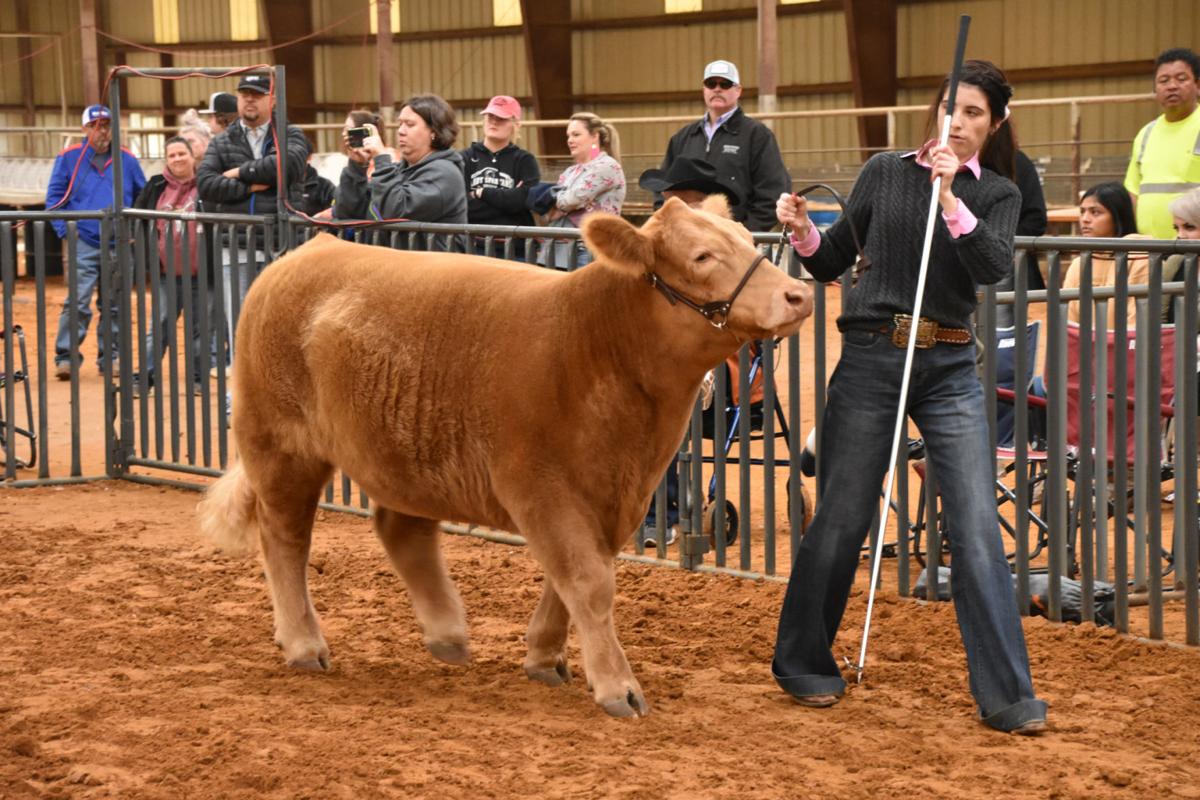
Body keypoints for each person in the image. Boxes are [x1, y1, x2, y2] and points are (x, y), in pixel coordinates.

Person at [772, 59, 1048, 734]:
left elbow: (987, 268)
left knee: (977, 526)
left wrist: (952, 201)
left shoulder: (998, 194)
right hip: (873, 353)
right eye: (951, 106)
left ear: (996, 123)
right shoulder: (884, 171)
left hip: (952, 361)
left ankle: (1009, 695)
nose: (958, 120)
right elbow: (829, 259)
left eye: (975, 112)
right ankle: (804, 662)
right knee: (842, 513)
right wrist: (800, 227)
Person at [635, 157, 743, 546]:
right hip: (659, 353)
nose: (662, 207)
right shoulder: (661, 246)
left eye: (671, 199)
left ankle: (660, 514)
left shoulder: (728, 244)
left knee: (659, 405)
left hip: (712, 361)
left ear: (695, 202)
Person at [197, 73, 310, 366]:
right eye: (244, 93)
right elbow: (207, 184)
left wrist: (238, 173)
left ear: (272, 100)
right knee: (239, 325)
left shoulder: (290, 134)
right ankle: (240, 399)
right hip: (234, 245)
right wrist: (252, 185)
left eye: (257, 94)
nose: (249, 98)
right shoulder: (222, 142)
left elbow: (288, 166)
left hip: (281, 244)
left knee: (283, 324)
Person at [47, 104, 147, 380]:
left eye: (106, 125)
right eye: (96, 125)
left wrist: (132, 230)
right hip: (85, 240)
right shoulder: (69, 157)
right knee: (77, 301)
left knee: (115, 303)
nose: (102, 131)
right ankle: (66, 357)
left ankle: (111, 358)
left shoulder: (127, 159)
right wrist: (67, 231)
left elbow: (143, 195)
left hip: (119, 242)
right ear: (85, 129)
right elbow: (55, 198)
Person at [655, 59, 790, 232]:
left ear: (738, 90)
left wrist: (744, 233)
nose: (717, 89)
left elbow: (772, 192)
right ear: (704, 90)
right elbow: (662, 188)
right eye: (711, 84)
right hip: (688, 239)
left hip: (734, 240)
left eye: (725, 84)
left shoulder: (757, 136)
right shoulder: (683, 137)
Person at [131, 136, 205, 396]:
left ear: (192, 155)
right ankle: (145, 378)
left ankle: (198, 380)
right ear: (166, 160)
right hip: (165, 274)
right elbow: (137, 218)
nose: (177, 159)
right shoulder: (156, 185)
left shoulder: (206, 184)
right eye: (172, 155)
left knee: (200, 329)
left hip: (202, 275)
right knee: (159, 326)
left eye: (181, 153)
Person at [361, 94, 468, 251]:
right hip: (398, 268)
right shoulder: (401, 169)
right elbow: (351, 209)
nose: (400, 131)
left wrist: (381, 159)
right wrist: (356, 166)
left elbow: (395, 212)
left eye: (410, 125)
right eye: (400, 124)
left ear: (434, 132)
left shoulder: (445, 173)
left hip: (434, 272)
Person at [1124, 48, 1200, 240]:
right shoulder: (1146, 133)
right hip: (1150, 251)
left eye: (1181, 79)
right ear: (1155, 90)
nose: (1172, 86)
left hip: (1193, 252)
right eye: (1163, 81)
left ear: (1198, 85)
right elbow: (1133, 191)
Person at [1061, 182, 1151, 328]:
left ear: (1117, 216)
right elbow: (1067, 323)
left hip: (1125, 347)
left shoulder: (1139, 257)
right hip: (1083, 347)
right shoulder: (1079, 264)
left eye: (1095, 212)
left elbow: (1137, 323)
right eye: (1082, 211)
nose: (1085, 219)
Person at [542, 111, 625, 268]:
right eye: (568, 136)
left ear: (595, 136)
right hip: (560, 249)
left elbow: (569, 201)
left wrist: (554, 198)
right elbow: (550, 211)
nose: (570, 140)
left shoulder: (607, 166)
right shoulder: (570, 171)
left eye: (576, 135)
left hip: (589, 251)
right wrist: (557, 201)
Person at [462, 95, 540, 260]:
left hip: (516, 250)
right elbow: (462, 204)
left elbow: (521, 201)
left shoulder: (525, 160)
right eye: (490, 116)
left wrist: (481, 193)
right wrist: (507, 200)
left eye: (501, 118)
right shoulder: (465, 158)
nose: (494, 122)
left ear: (515, 125)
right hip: (475, 246)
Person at [329, 109, 383, 222]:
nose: (344, 133)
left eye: (348, 130)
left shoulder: (383, 161)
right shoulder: (350, 163)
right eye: (344, 129)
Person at [287, 147, 336, 217]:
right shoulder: (279, 185)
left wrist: (317, 218)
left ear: (309, 157)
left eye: (298, 155)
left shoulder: (324, 186)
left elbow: (338, 207)